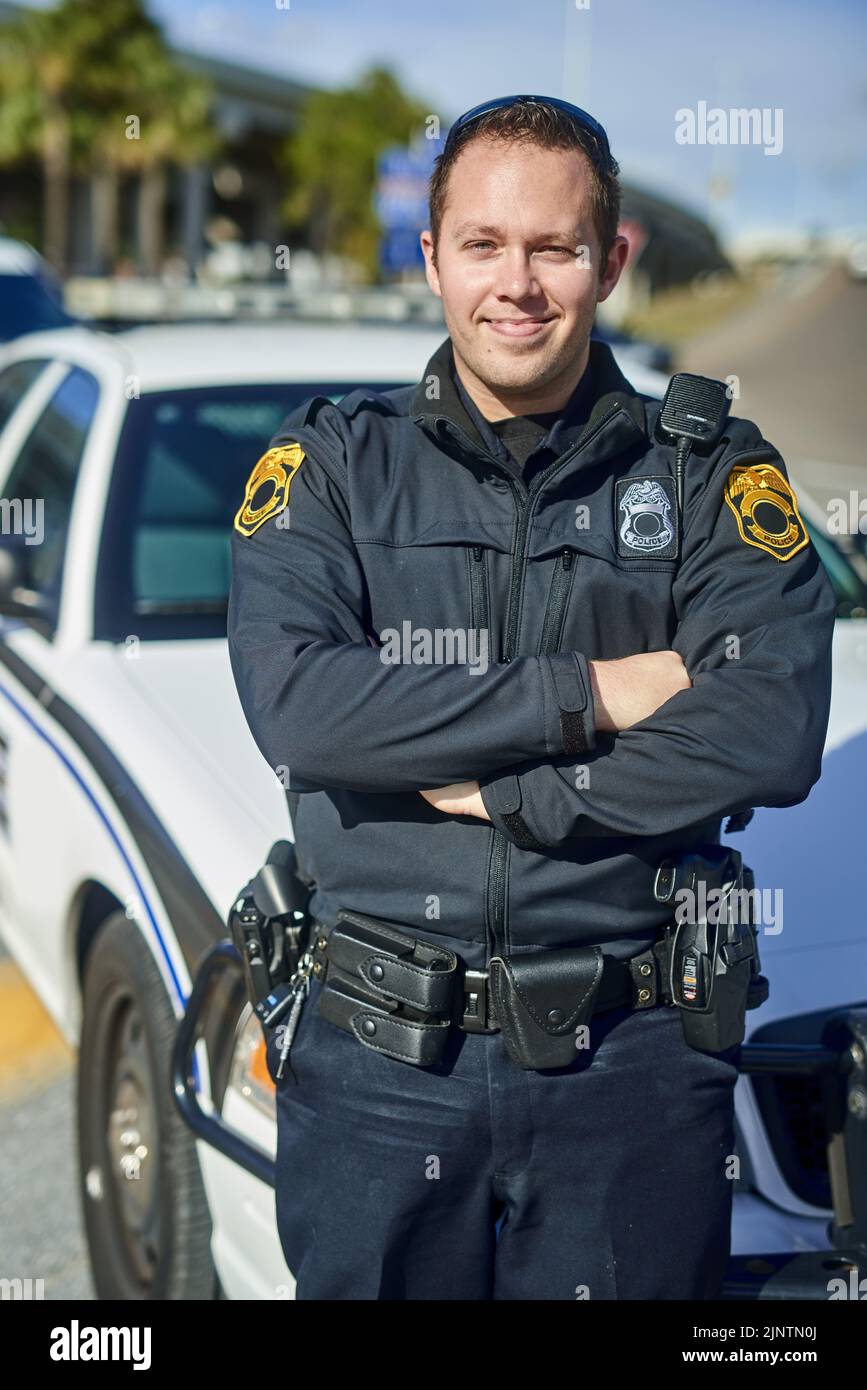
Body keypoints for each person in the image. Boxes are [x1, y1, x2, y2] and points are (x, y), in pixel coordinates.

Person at [227, 95, 836, 1300]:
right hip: (380, 1073)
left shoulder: (708, 472)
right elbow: (302, 703)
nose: (518, 284)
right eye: (484, 245)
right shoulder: (336, 466)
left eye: (554, 247)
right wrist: (593, 693)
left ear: (610, 259)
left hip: (633, 1068)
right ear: (433, 256)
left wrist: (525, 795)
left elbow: (773, 722)